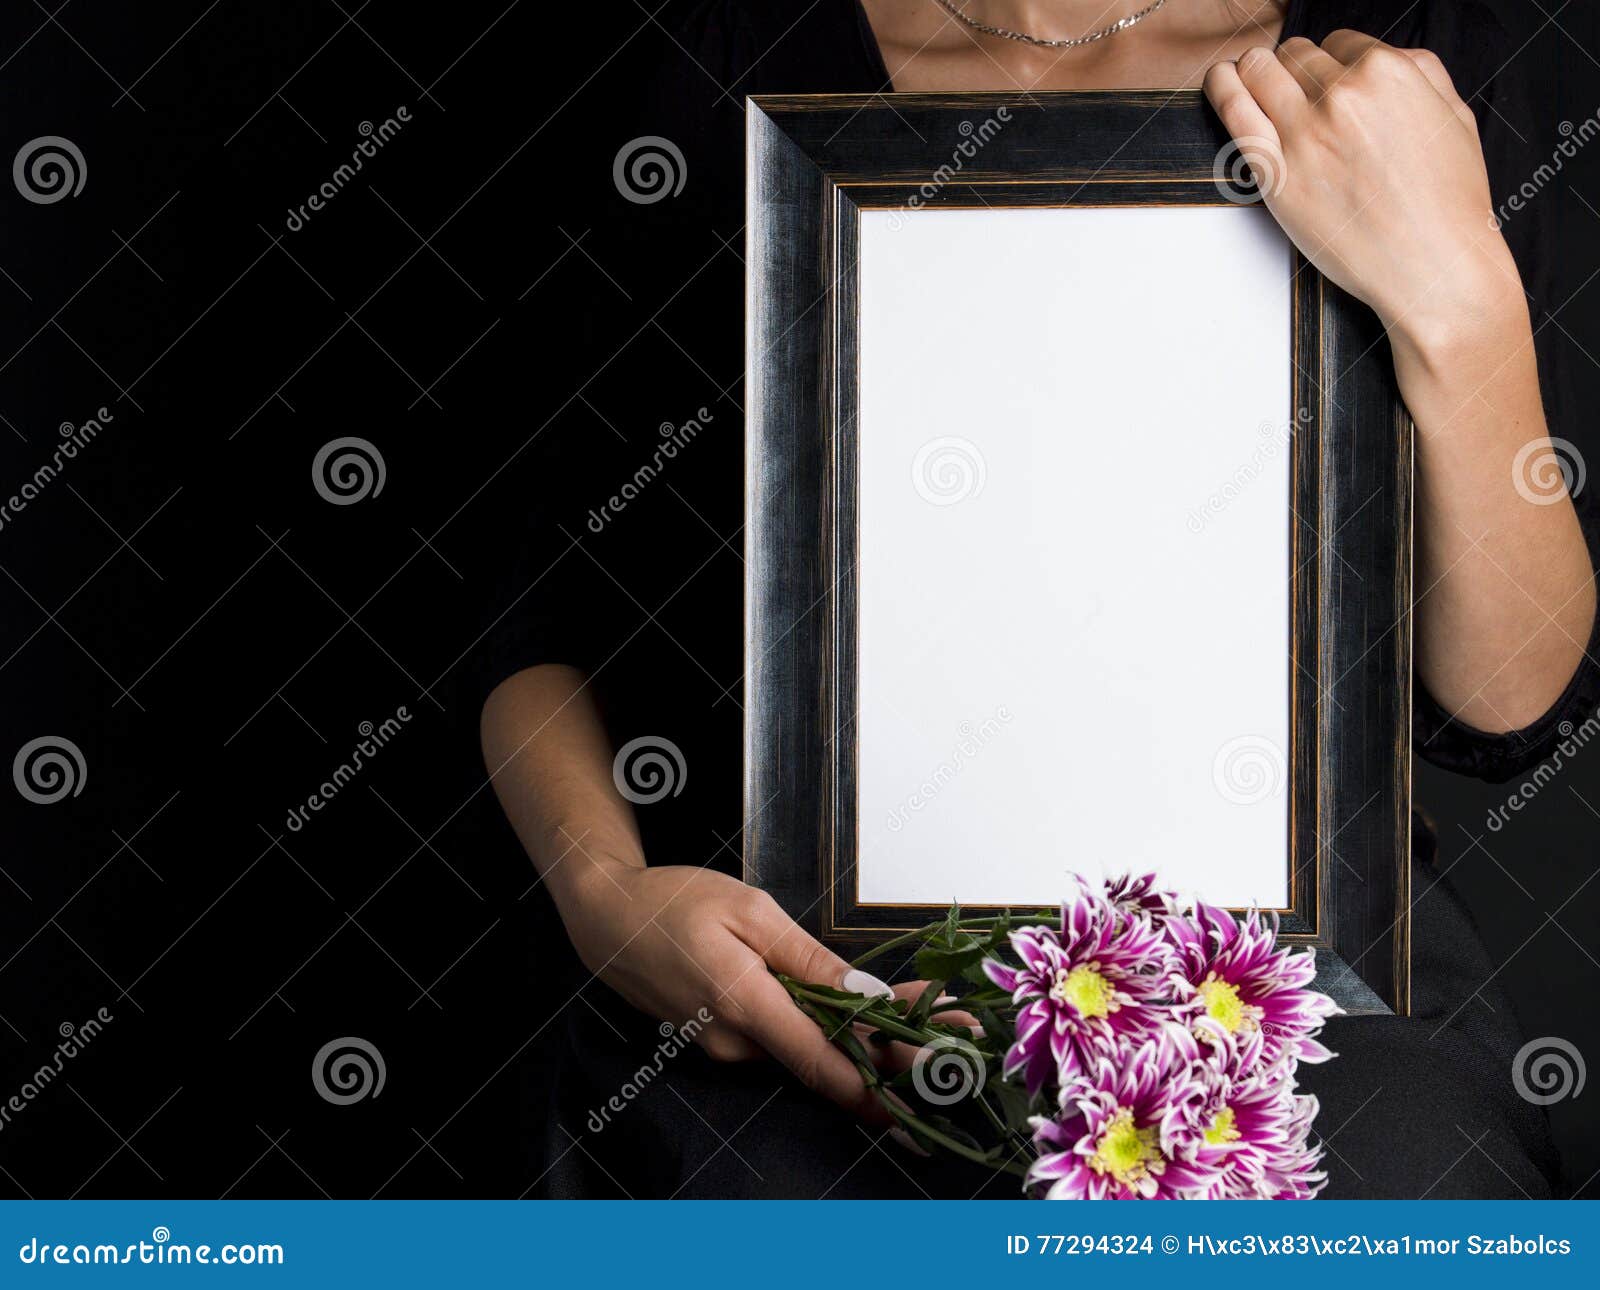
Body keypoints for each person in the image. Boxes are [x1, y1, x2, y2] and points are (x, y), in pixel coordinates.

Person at [481, 0, 1595, 1197]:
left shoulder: (1406, 49)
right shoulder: (721, 46)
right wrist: (606, 895)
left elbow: (1502, 701)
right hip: (801, 967)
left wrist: (1460, 302)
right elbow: (543, 592)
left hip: (1289, 974)